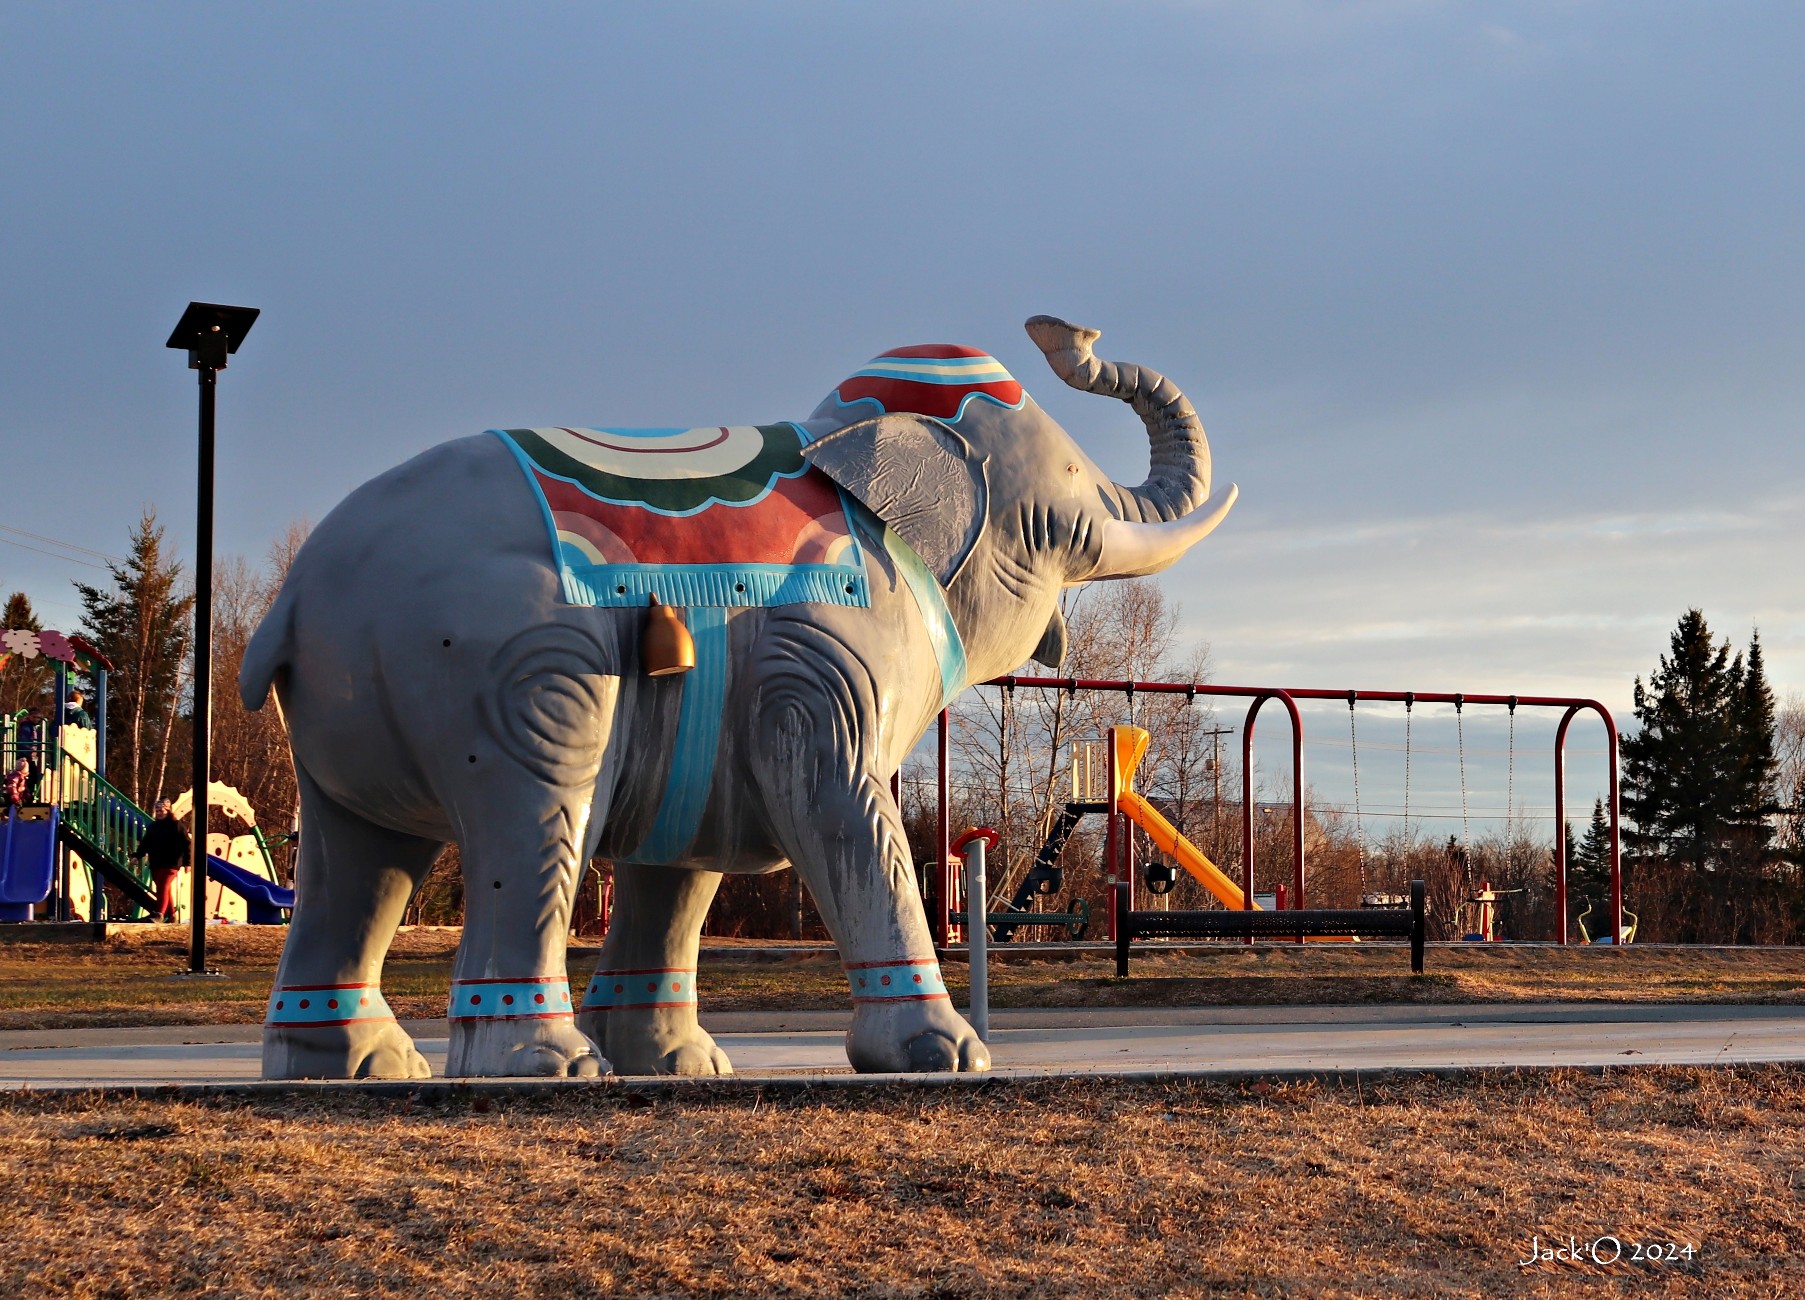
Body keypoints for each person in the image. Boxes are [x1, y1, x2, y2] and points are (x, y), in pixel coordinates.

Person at [131, 799, 192, 923]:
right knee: (163, 887)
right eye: (157, 811)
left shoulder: (176, 825)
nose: (159, 813)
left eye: (162, 810)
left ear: (168, 811)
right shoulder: (153, 826)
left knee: (163, 885)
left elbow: (187, 844)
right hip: (157, 862)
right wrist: (137, 855)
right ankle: (172, 914)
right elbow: (145, 843)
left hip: (172, 862)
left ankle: (160, 914)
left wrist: (187, 862)